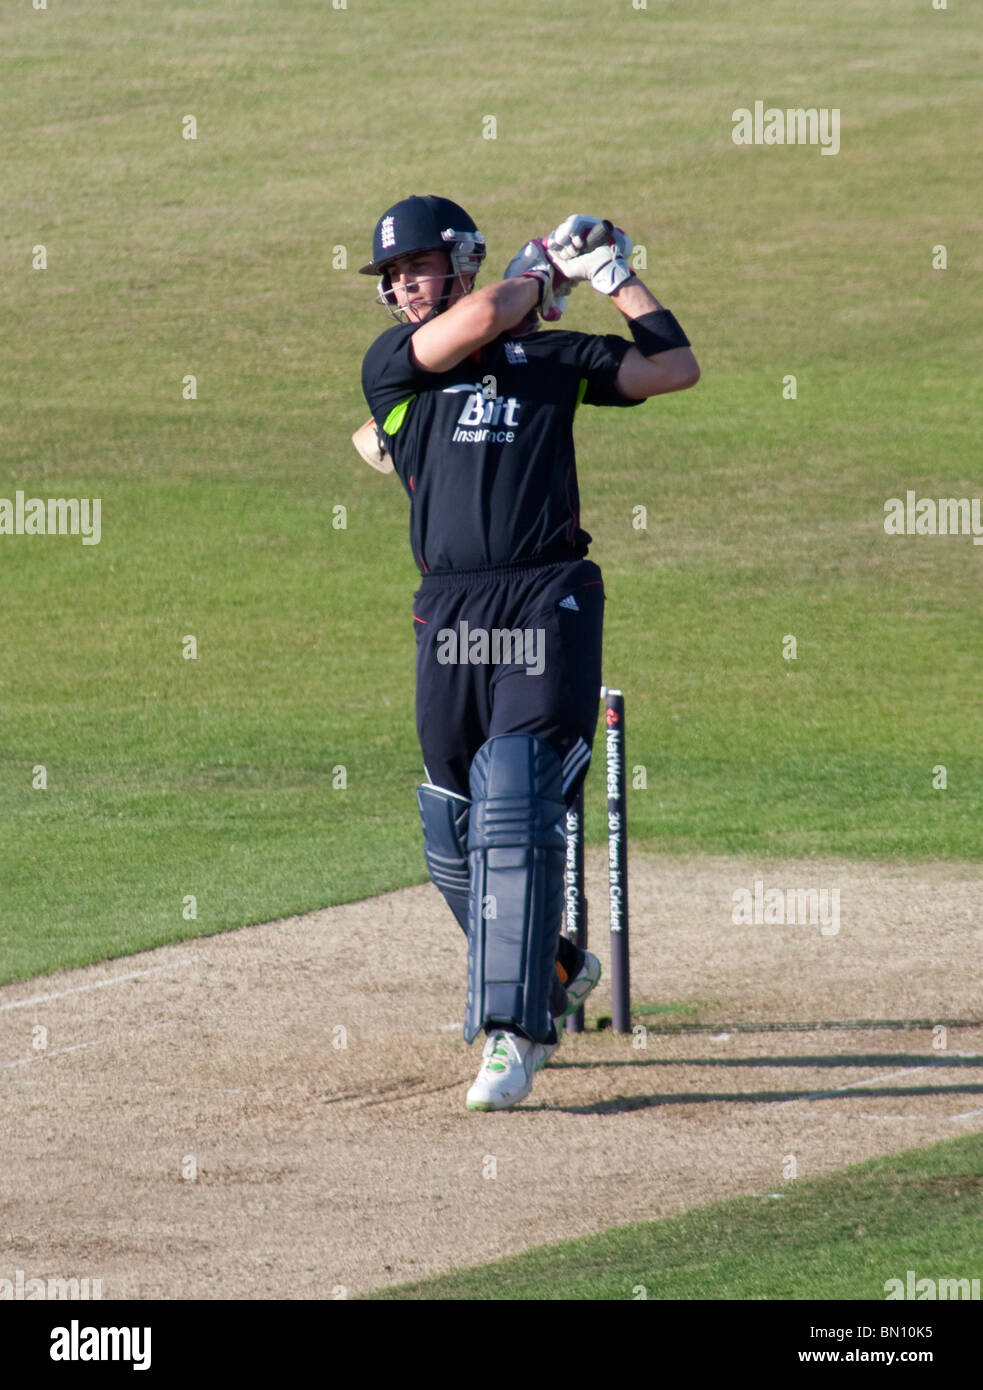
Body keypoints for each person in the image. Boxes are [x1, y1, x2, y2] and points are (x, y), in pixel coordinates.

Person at [359, 194, 699, 1111]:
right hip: (449, 613)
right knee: (453, 824)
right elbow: (473, 321)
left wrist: (615, 281)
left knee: (514, 788)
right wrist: (539, 272)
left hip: (544, 596)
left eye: (418, 267)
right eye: (392, 277)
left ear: (462, 261)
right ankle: (554, 963)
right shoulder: (396, 369)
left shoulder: (546, 359)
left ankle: (514, 1034)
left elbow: (674, 369)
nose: (402, 287)